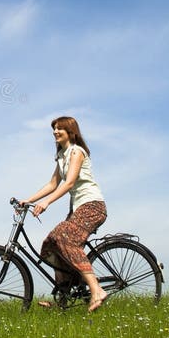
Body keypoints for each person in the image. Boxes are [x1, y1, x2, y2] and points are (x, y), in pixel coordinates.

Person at [22, 116, 108, 313]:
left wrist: (47, 202)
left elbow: (69, 183)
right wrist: (29, 200)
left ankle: (96, 290)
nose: (55, 132)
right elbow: (53, 183)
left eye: (59, 128)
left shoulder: (77, 152)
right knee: (52, 243)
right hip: (78, 209)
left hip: (92, 206)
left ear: (71, 131)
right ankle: (64, 298)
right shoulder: (62, 155)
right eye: (53, 129)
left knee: (65, 237)